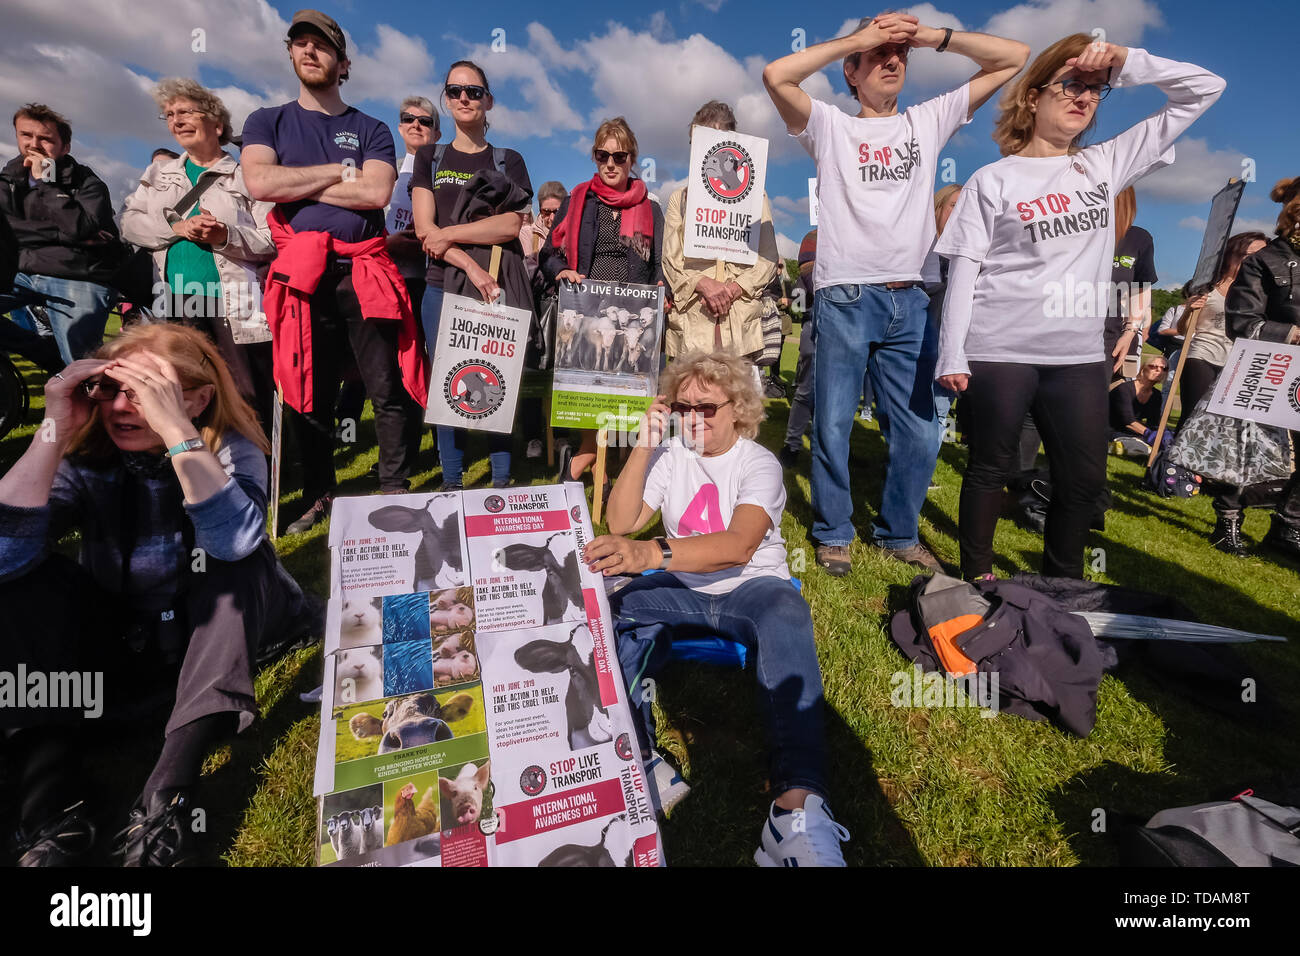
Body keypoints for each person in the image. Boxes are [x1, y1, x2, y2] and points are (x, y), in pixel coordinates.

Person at [0, 322, 311, 866]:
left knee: (237, 566)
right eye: (109, 389)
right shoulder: (87, 458)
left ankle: (168, 797)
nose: (121, 407)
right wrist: (54, 428)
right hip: (124, 644)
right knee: (25, 583)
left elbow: (236, 542)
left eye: (145, 391)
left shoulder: (230, 450)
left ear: (197, 399)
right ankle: (51, 809)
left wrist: (175, 431)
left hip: (210, 643)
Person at [935, 36, 1225, 580]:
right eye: (1071, 84)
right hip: (1001, 349)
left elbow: (1205, 89)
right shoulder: (993, 179)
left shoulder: (1104, 164)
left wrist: (1126, 61)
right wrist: (952, 352)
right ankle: (977, 576)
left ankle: (1062, 585)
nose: (1085, 97)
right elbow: (965, 271)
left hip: (1078, 358)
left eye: (1096, 90)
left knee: (1084, 479)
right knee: (991, 467)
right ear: (1033, 96)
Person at [764, 13, 1029, 576]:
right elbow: (776, 75)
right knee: (833, 423)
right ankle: (833, 530)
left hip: (911, 298)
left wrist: (931, 38)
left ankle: (898, 532)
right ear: (851, 71)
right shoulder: (830, 126)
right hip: (845, 295)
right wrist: (860, 38)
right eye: (878, 55)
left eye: (900, 55)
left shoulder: (925, 120)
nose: (892, 61)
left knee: (921, 430)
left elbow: (1014, 57)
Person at [584, 350, 849, 866]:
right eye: (682, 407)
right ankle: (636, 755)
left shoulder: (758, 462)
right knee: (607, 611)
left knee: (786, 614)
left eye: (706, 407)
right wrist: (644, 445)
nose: (693, 418)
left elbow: (738, 546)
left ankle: (795, 809)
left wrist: (650, 554)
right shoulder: (671, 455)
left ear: (738, 409)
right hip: (682, 586)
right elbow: (621, 522)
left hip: (750, 587)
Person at [241, 9, 427, 533]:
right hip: (302, 275)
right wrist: (337, 173)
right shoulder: (267, 121)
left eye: (321, 45)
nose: (309, 51)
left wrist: (295, 182)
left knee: (385, 385)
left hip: (363, 271)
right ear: (290, 52)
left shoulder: (370, 128)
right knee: (309, 389)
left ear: (342, 63)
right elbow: (259, 183)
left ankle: (394, 488)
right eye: (300, 42)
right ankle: (318, 493)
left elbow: (376, 192)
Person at [120, 77, 277, 434]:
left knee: (247, 391)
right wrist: (175, 228)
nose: (176, 120)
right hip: (174, 298)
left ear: (217, 124)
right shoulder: (158, 173)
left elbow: (271, 239)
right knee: (185, 389)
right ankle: (198, 459)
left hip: (236, 299)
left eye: (186, 112)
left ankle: (258, 459)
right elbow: (128, 224)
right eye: (169, 114)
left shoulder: (245, 175)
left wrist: (225, 235)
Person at [411, 60, 533, 490]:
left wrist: (450, 234)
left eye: (474, 91)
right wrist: (469, 264)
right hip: (442, 286)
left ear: (489, 101)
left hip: (495, 284)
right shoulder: (430, 157)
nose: (464, 98)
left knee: (496, 379)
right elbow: (424, 231)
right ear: (446, 99)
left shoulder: (508, 160)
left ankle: (501, 481)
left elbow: (509, 225)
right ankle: (452, 483)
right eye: (455, 91)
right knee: (449, 385)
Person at [539, 117, 665, 482]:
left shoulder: (650, 208)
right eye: (602, 155)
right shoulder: (577, 200)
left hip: (632, 311)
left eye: (619, 156)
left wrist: (661, 288)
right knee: (590, 382)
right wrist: (561, 270)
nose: (610, 163)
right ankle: (592, 459)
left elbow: (659, 263)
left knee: (624, 388)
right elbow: (549, 253)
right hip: (588, 306)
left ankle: (592, 462)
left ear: (631, 159)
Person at [1, 103, 121, 364]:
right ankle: (47, 355)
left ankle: (71, 371)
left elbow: (81, 227)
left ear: (65, 147)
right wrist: (64, 236)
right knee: (65, 361)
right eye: (26, 135)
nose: (34, 144)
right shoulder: (8, 180)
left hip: (77, 274)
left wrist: (47, 181)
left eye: (45, 138)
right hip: (20, 272)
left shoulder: (88, 183)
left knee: (80, 363)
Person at [661, 101, 780, 362]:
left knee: (737, 389)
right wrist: (702, 284)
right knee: (689, 388)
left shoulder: (756, 197)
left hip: (739, 327)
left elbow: (768, 258)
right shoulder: (679, 198)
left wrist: (734, 289)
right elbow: (670, 259)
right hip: (692, 323)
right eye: (698, 141)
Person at [1225, 177, 1300, 559]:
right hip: (1265, 368)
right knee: (1244, 450)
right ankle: (1227, 520)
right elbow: (1241, 321)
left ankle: (1288, 525)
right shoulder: (1263, 260)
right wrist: (1293, 334)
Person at [1105, 186, 1158, 378]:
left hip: (1108, 336)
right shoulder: (1073, 234)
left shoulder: (1138, 239)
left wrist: (1129, 332)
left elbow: (1140, 287)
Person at [779, 227, 818, 467]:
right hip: (815, 324)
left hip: (846, 324)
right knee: (806, 390)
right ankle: (792, 445)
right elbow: (801, 299)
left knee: (837, 394)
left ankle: (829, 447)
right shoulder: (813, 239)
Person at [1109, 355, 1167, 447]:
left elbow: (1153, 423)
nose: (1158, 370)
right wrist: (1148, 433)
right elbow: (1128, 421)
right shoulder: (1124, 389)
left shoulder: (1156, 395)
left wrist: (1162, 433)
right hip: (1111, 429)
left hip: (1132, 432)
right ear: (1143, 369)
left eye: (1163, 368)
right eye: (1153, 366)